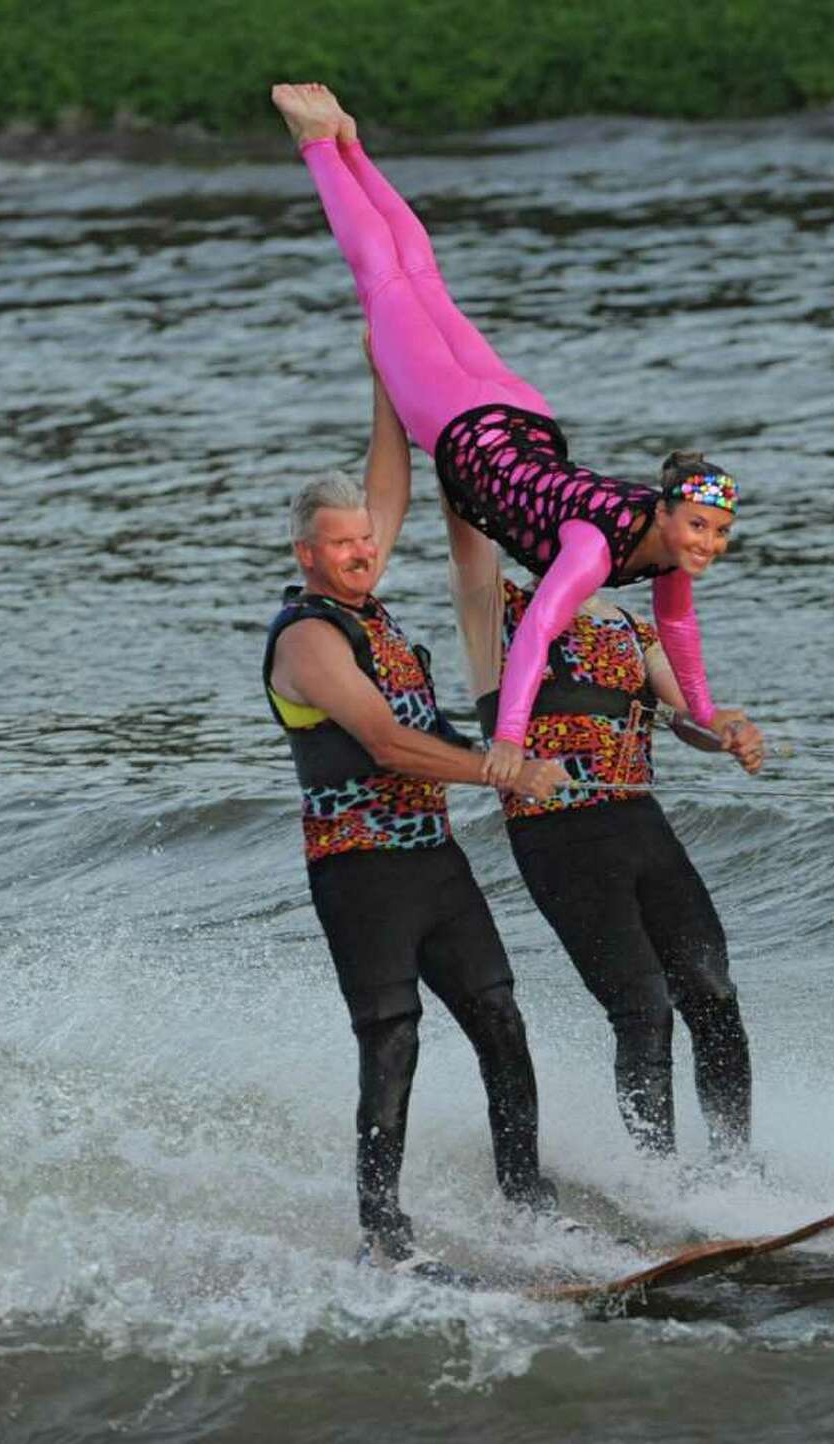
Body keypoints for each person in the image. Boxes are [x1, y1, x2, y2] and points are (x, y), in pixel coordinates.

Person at [269, 83, 764, 796]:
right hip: (463, 426)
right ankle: (320, 144)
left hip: (518, 415)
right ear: (663, 511)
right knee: (384, 279)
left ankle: (350, 141)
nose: (707, 544)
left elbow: (682, 640)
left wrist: (711, 715)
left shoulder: (661, 554)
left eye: (718, 533)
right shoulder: (594, 550)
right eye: (698, 526)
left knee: (418, 277)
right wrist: (506, 742)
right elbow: (531, 633)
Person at [264, 358, 569, 1275]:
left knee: (500, 1020)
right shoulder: (310, 639)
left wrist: (388, 361)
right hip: (361, 876)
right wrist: (500, 770)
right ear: (308, 554)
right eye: (346, 545)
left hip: (433, 862)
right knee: (393, 1040)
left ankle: (528, 1202)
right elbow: (390, 744)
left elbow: (387, 475)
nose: (366, 552)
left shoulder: (366, 588)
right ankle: (382, 1233)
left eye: (369, 539)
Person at [444, 488, 762, 1161]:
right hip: (557, 834)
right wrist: (457, 447)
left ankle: (736, 1169)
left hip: (640, 823)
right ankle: (659, 1178)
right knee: (643, 1009)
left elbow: (687, 719)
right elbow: (467, 533)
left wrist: (729, 731)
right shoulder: (495, 608)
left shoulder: (628, 623)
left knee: (712, 994)